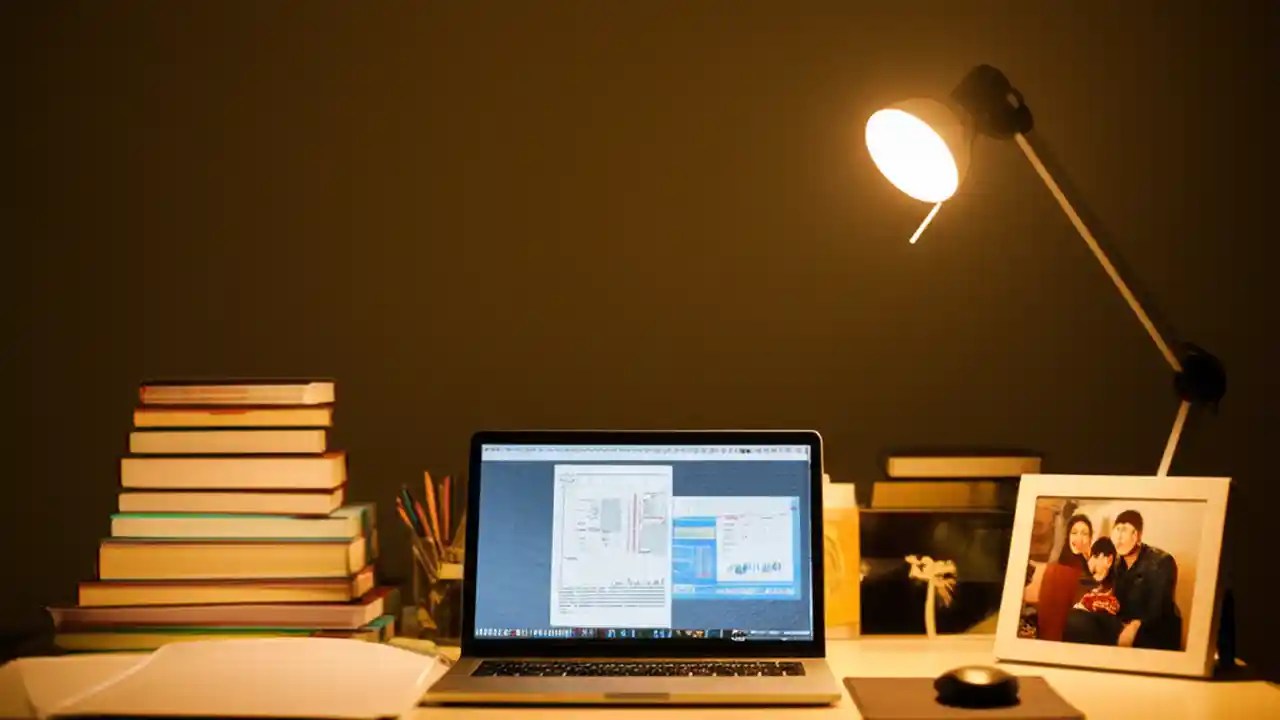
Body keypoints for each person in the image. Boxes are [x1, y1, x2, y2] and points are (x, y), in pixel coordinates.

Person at [1111, 510, 1182, 650]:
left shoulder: (1161, 561)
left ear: (1137, 536)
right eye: (1117, 529)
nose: (1119, 537)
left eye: (1125, 530)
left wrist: (1135, 625)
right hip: (1124, 626)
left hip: (1156, 632)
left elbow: (1158, 609)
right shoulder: (1117, 564)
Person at [1033, 513, 1093, 641]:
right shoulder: (1055, 570)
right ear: (1068, 537)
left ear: (1090, 539)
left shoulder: (1094, 571)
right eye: (1074, 533)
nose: (1079, 538)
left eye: (1084, 533)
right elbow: (1046, 615)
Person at [1063, 537, 1124, 645]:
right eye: (1090, 557)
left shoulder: (1119, 587)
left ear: (1109, 560)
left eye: (1096, 556)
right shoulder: (1085, 585)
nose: (1090, 562)